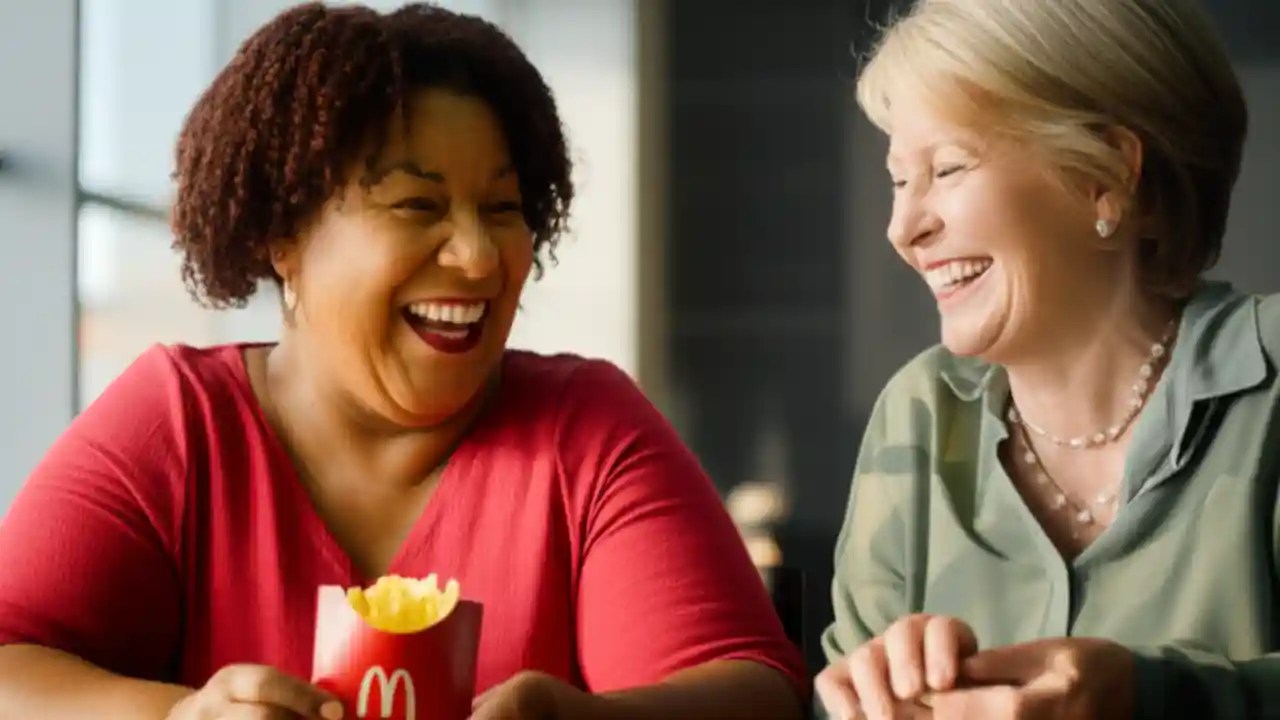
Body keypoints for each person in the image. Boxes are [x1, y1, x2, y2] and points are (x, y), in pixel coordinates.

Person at [0, 4, 807, 719]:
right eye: (416, 206)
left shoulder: (583, 431)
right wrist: (180, 717)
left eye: (501, 209)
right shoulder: (177, 423)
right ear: (285, 239)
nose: (478, 256)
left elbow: (755, 688)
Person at [815, 1, 1278, 718]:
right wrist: (876, 699)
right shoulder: (916, 414)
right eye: (899, 180)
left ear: (1107, 181)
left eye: (949, 167)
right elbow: (841, 691)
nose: (905, 227)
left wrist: (1150, 698)